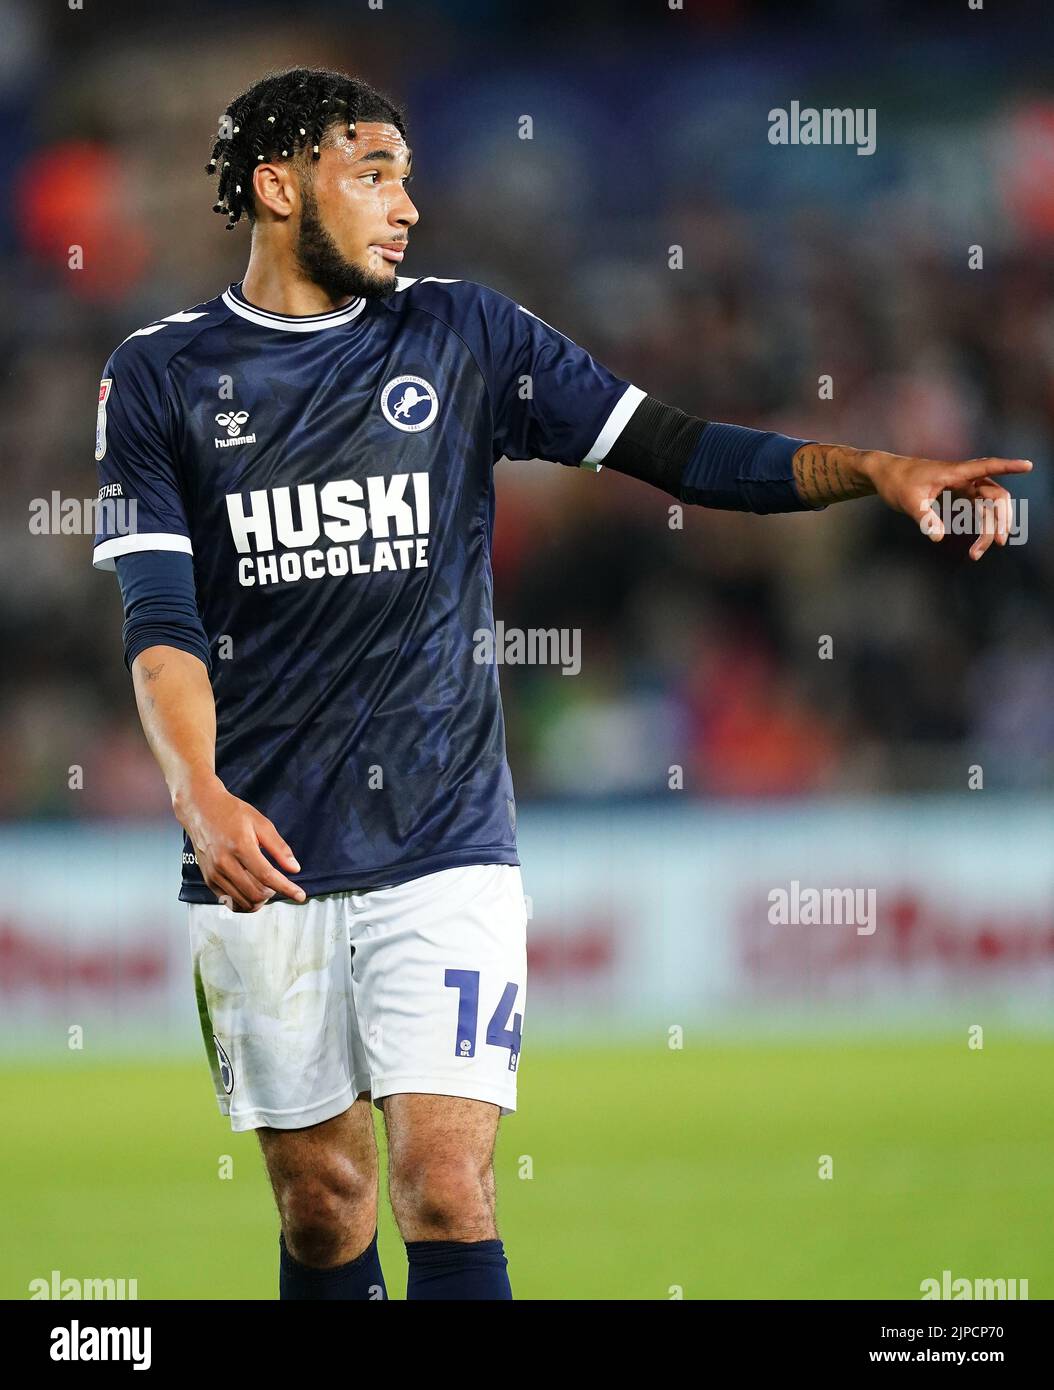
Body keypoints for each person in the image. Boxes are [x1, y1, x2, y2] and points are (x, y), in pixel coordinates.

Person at [91, 66, 1029, 1300]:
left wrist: (874, 466)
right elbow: (161, 625)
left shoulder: (465, 335)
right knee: (323, 1208)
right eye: (372, 175)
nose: (406, 205)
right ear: (278, 187)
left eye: (408, 176)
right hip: (263, 851)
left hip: (445, 840)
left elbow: (680, 451)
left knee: (443, 1183)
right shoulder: (160, 376)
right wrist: (197, 794)